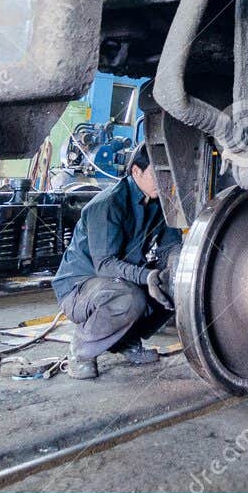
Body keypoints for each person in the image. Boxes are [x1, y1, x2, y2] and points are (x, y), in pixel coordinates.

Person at [52, 144, 181, 379]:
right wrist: (148, 276)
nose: (163, 182)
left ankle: (126, 342)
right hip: (81, 287)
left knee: (174, 286)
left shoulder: (160, 201)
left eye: (167, 175)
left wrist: (177, 266)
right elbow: (105, 265)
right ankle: (80, 352)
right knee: (129, 298)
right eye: (156, 174)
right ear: (136, 172)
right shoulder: (107, 205)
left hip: (117, 280)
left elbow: (169, 246)